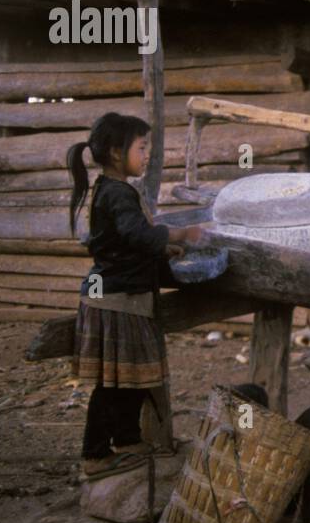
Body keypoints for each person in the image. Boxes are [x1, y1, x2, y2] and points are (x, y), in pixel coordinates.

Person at [65, 113, 205, 479]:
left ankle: (126, 439)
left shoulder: (114, 190)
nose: (146, 155)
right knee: (111, 385)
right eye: (141, 148)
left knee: (130, 379)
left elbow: (131, 241)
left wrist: (162, 252)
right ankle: (94, 454)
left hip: (126, 299)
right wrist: (178, 236)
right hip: (116, 302)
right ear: (115, 153)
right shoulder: (116, 192)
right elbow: (135, 234)